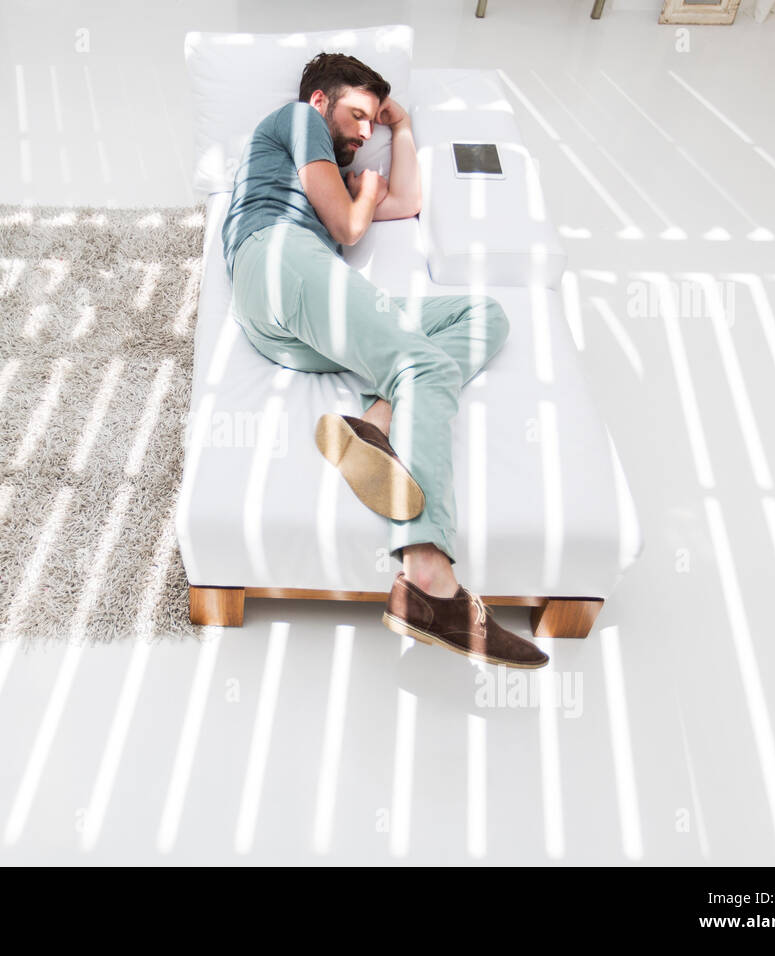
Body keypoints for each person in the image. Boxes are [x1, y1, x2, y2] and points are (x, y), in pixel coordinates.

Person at [222, 52, 548, 669]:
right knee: (423, 367)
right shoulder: (297, 118)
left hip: (293, 321)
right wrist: (362, 197)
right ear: (321, 102)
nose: (363, 133)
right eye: (357, 116)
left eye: (372, 124)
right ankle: (429, 579)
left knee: (483, 316)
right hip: (277, 260)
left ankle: (373, 420)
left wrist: (402, 130)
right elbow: (348, 228)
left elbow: (408, 200)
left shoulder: (331, 169)